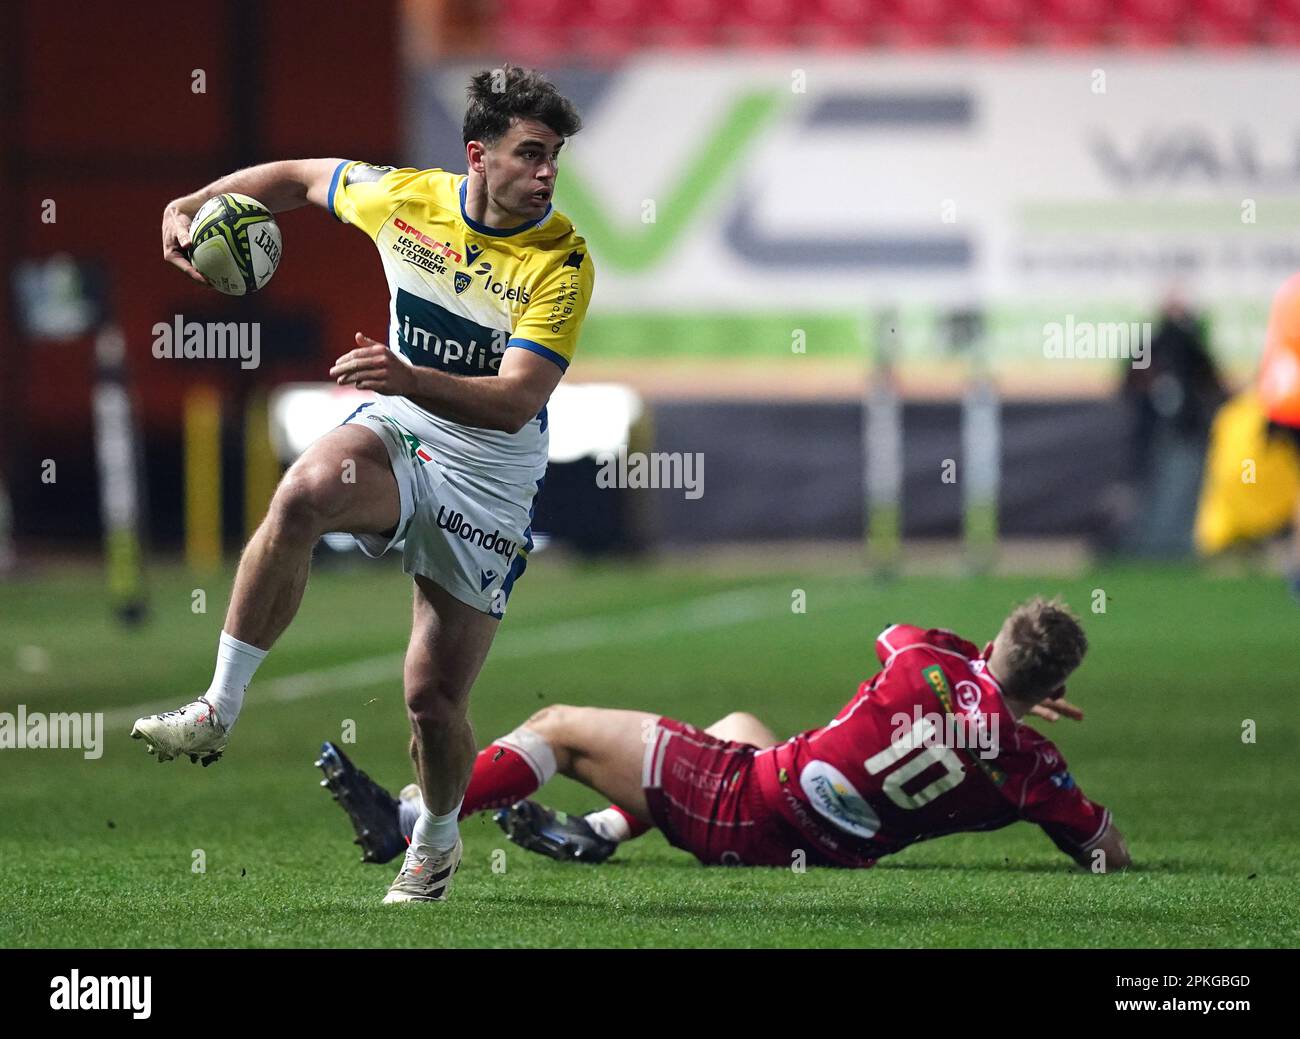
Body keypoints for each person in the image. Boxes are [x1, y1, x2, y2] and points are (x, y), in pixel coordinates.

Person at [132, 64, 595, 904]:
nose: (546, 173)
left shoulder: (561, 260)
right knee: (306, 489)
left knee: (431, 699)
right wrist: (189, 203)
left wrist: (408, 375)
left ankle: (439, 837)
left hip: (491, 477)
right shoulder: (406, 198)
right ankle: (218, 707)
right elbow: (301, 179)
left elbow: (518, 399)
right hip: (405, 426)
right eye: (531, 154)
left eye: (553, 157)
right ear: (477, 157)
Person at [318, 597, 1132, 875]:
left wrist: (980, 671)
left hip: (748, 805)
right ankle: (601, 832)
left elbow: (903, 636)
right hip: (820, 847)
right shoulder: (1034, 766)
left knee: (556, 728)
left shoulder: (924, 656)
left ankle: (409, 824)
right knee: (741, 723)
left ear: (993, 644)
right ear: (1055, 689)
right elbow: (1104, 848)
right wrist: (1017, 714)